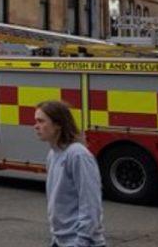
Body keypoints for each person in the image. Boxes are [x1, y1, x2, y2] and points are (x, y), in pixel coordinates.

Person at [34, 100, 106, 247]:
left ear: (58, 125)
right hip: (61, 241)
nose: (36, 126)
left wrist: (80, 242)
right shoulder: (53, 154)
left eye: (41, 121)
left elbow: (91, 204)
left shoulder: (78, 155)